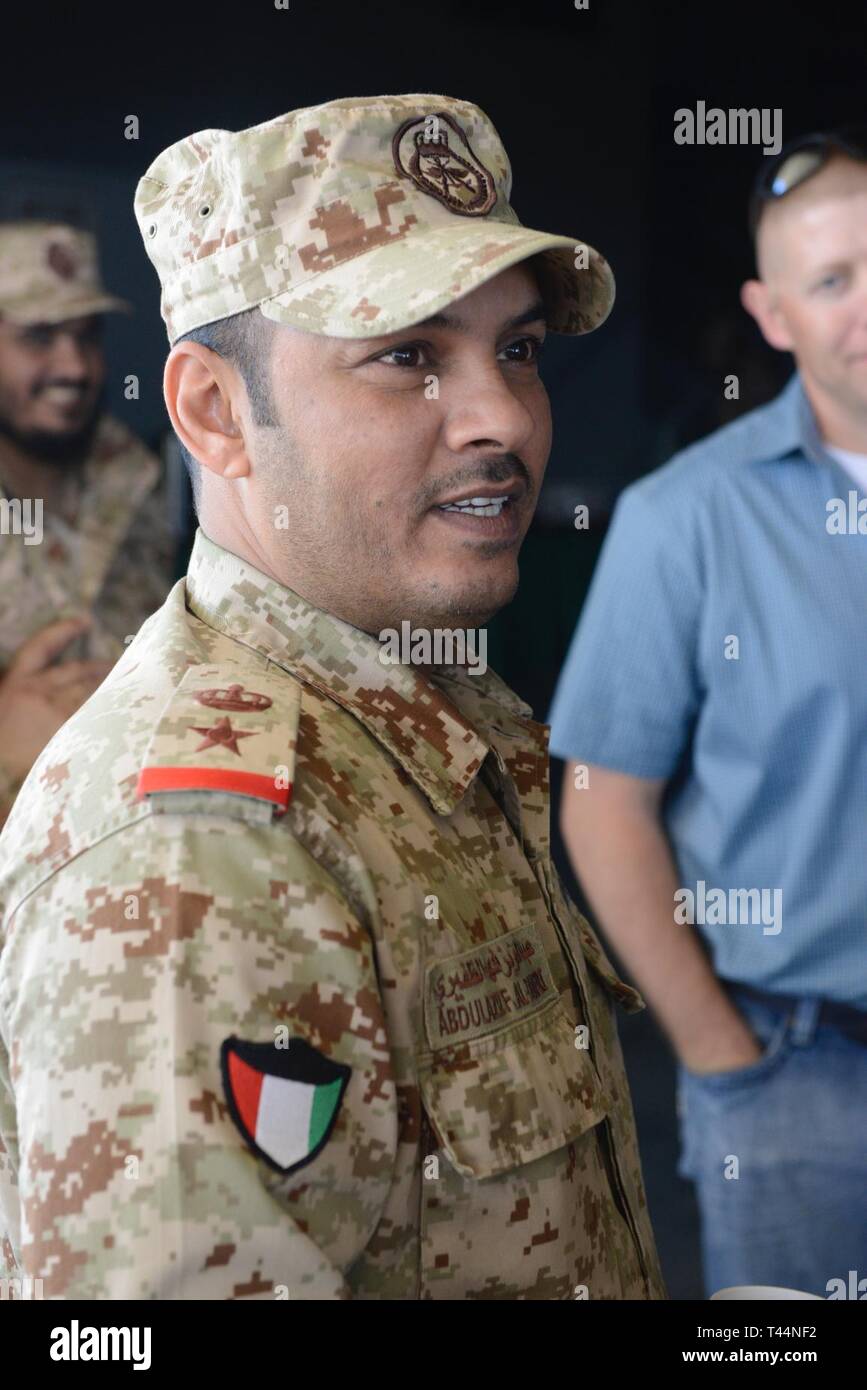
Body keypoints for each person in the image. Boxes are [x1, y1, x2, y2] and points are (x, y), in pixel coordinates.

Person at [0, 94, 667, 1300]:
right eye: (407, 354)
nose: (505, 419)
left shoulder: (426, 708)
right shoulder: (197, 854)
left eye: (518, 348)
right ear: (213, 411)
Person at [547, 127, 867, 1298]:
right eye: (833, 279)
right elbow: (602, 804)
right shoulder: (685, 517)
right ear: (772, 314)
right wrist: (724, 1061)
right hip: (802, 1078)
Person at [0, 221, 176, 826]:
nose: (73, 366)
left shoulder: (142, 481)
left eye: (86, 335)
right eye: (39, 337)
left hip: (125, 859)